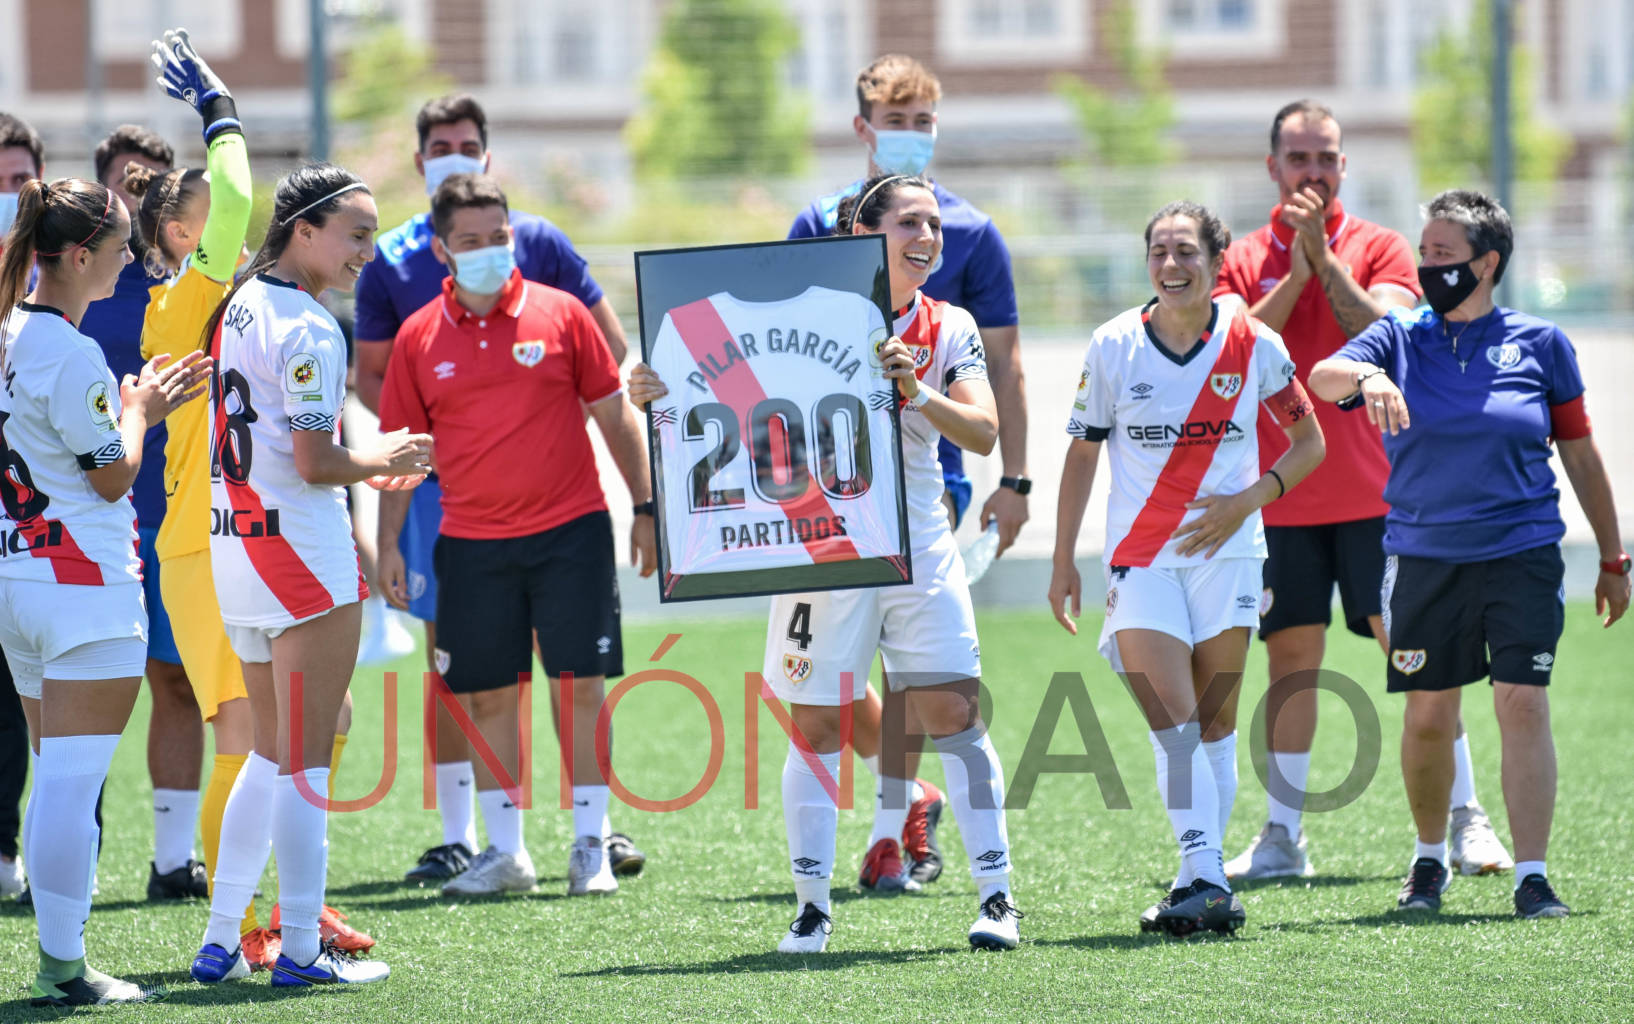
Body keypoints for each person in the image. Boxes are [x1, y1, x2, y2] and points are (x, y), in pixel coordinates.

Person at [631, 174, 1023, 952]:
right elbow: (723, 399)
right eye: (909, 222)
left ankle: (997, 898)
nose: (928, 237)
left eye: (934, 224)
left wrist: (918, 392)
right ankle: (811, 911)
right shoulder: (796, 318)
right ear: (860, 235)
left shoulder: (948, 324)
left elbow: (983, 431)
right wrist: (654, 390)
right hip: (815, 548)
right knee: (813, 726)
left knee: (954, 716)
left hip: (919, 549)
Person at [1310, 188, 1629, 918]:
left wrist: (1615, 560)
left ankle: (1533, 875)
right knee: (1429, 716)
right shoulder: (1399, 335)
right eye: (1423, 252)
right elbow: (1323, 377)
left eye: (1443, 254)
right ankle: (1429, 860)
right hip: (1424, 558)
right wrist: (1370, 374)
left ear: (1486, 264)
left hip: (1522, 553)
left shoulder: (1542, 344)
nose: (1428, 266)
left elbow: (1581, 455)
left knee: (1523, 704)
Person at [1215, 99, 1513, 883]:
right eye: (1298, 157)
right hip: (1281, 499)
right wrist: (1295, 270)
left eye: (1326, 158)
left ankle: (1466, 821)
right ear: (1273, 166)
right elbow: (1232, 352)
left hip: (1382, 501)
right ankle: (1282, 838)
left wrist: (1325, 261)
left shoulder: (1381, 247)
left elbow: (1389, 333)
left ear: (1344, 166)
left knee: (1420, 659)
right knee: (1291, 664)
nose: (1313, 171)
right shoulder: (1241, 257)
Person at [350, 94, 643, 884]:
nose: (489, 251)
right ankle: (495, 846)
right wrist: (390, 537)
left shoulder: (557, 294)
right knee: (477, 688)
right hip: (465, 529)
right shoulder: (413, 320)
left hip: (570, 524)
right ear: (443, 251)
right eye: (471, 243)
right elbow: (399, 434)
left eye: (498, 238)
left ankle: (591, 843)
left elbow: (612, 400)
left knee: (578, 682)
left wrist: (646, 507)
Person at [1049, 200, 1326, 936]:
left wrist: (1247, 501)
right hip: (1140, 560)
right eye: (1159, 253)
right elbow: (1081, 455)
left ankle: (1196, 881)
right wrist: (1063, 558)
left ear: (1216, 261)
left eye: (1186, 252)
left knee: (1215, 723)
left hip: (1228, 557)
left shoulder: (1253, 341)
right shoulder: (1113, 344)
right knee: (1169, 717)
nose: (1171, 266)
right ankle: (1208, 876)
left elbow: (1310, 445)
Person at [186, 162, 432, 987]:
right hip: (296, 556)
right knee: (304, 763)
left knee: (269, 755)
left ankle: (222, 940)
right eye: (357, 234)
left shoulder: (241, 302)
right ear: (305, 230)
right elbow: (316, 460)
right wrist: (388, 457)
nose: (368, 251)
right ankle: (299, 949)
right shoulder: (309, 324)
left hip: (237, 550)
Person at [786, 53, 1027, 889]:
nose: (911, 136)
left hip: (927, 471)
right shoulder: (816, 220)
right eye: (896, 122)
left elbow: (1004, 366)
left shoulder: (972, 232)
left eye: (924, 122)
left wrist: (1015, 480)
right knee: (822, 682)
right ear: (863, 127)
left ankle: (892, 829)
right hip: (818, 491)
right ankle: (904, 807)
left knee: (917, 671)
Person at [0, 173, 211, 1005]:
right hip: (81, 588)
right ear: (80, 254)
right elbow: (113, 476)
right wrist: (141, 408)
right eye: (124, 245)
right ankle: (62, 969)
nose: (133, 259)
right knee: (69, 784)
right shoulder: (70, 350)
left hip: (21, 581)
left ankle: (62, 961)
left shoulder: (10, 332)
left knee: (55, 773)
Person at [82, 121, 216, 901]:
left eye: (156, 187)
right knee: (78, 691)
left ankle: (173, 861)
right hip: (84, 520)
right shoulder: (71, 288)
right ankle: (61, 857)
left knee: (180, 683)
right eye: (127, 183)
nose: (139, 200)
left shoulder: (193, 289)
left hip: (175, 514)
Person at [0, 109, 43, 903]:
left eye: (18, 180)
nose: (8, 194)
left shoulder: (60, 285)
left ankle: (37, 858)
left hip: (37, 533)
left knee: (39, 707)